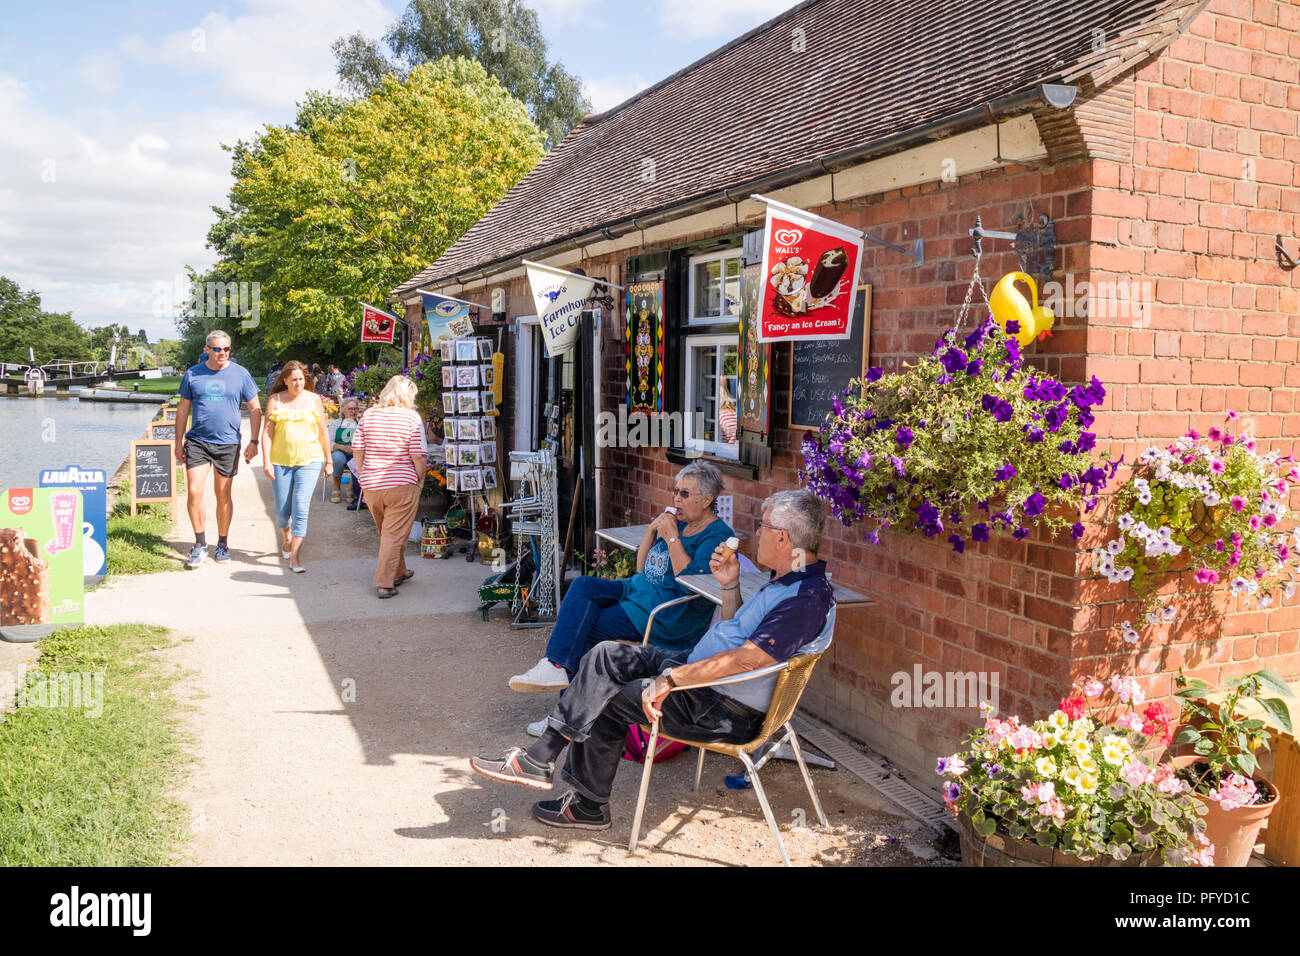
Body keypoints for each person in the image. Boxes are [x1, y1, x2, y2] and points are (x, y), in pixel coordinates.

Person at [470, 489, 835, 830]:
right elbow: (737, 629)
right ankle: (541, 760)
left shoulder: (806, 597)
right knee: (605, 656)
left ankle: (585, 804)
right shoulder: (786, 580)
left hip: (720, 708)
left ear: (783, 538)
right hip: (703, 682)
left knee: (604, 694)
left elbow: (747, 660)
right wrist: (728, 586)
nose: (757, 532)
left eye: (763, 525)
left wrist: (672, 679)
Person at [508, 462, 733, 728]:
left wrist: (672, 538)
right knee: (583, 586)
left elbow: (689, 584)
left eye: (685, 493)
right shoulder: (681, 524)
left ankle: (564, 718)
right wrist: (653, 531)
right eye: (675, 491)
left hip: (664, 614)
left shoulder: (717, 535)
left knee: (586, 630)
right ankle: (555, 666)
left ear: (707, 499)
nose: (676, 498)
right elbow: (643, 568)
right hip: (638, 591)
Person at [175, 330, 262, 569]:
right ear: (206, 350)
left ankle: (222, 543)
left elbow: (255, 409)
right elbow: (182, 411)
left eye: (225, 349)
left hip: (227, 443)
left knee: (223, 494)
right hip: (198, 441)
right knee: (194, 490)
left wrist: (254, 442)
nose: (222, 353)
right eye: (216, 349)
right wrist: (177, 443)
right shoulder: (193, 374)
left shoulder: (241, 374)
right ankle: (200, 543)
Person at [352, 375, 428, 598]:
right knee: (393, 535)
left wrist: (364, 473)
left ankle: (400, 571)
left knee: (389, 533)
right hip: (402, 484)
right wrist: (420, 478)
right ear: (408, 395)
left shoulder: (369, 415)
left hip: (372, 485)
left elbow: (357, 448)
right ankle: (385, 583)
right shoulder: (411, 418)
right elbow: (418, 455)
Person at [261, 360, 331, 572]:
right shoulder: (276, 400)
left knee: (301, 507)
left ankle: (295, 557)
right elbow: (266, 434)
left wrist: (328, 460)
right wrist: (266, 462)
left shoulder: (314, 400)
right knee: (283, 512)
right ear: (285, 380)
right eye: (294, 380)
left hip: (309, 461)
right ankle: (286, 538)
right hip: (281, 462)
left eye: (302, 379)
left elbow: (323, 432)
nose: (299, 383)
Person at [327, 397, 360, 504]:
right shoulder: (336, 423)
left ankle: (350, 487)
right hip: (339, 450)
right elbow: (328, 442)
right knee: (338, 458)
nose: (353, 411)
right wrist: (341, 447)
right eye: (350, 409)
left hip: (356, 452)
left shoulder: (360, 424)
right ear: (343, 410)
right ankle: (336, 484)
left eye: (355, 409)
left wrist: (355, 449)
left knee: (357, 460)